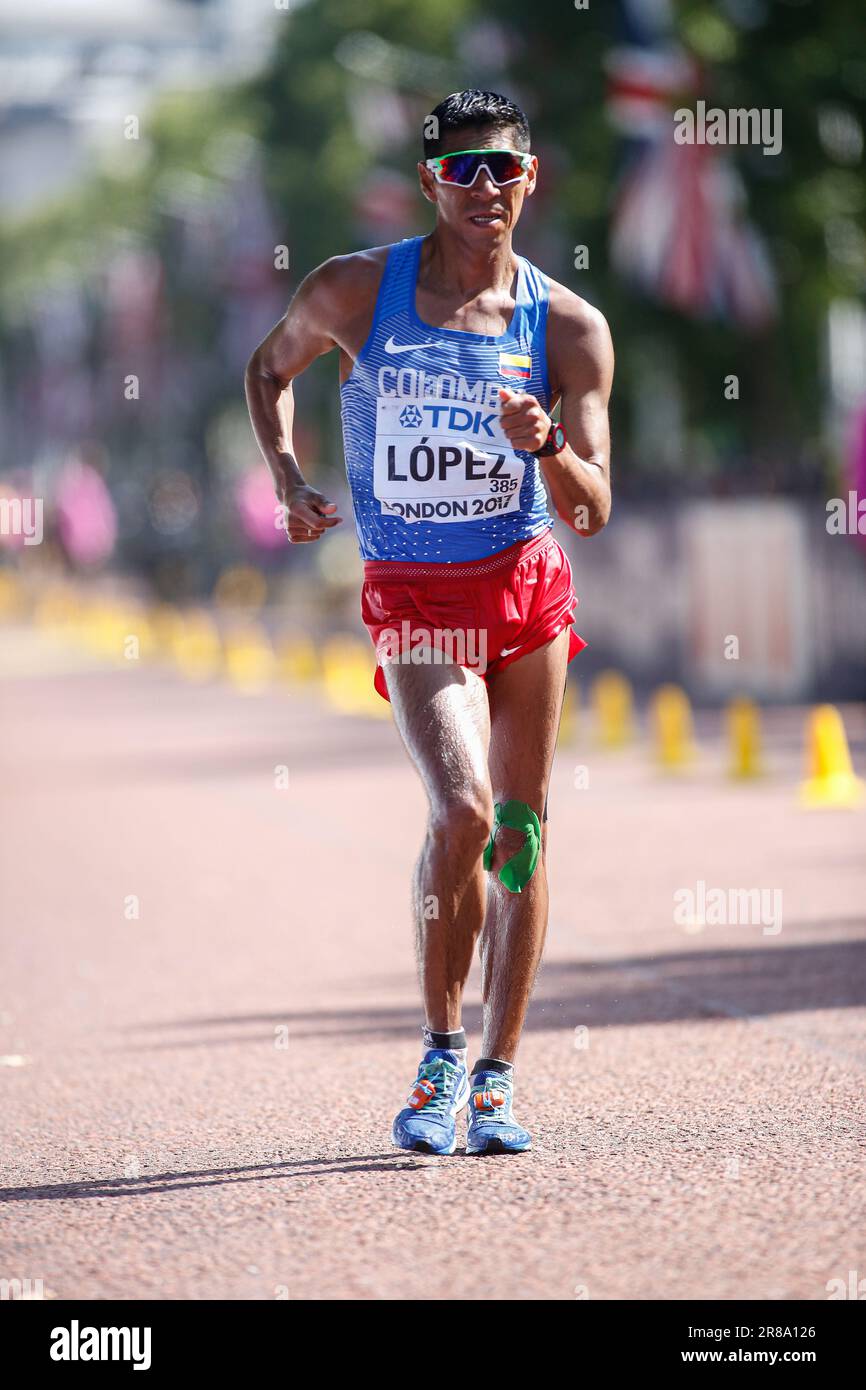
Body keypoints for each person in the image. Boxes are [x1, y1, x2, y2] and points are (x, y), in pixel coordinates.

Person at [246, 89, 613, 1156]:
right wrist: (287, 477)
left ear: (528, 178)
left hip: (524, 588)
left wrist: (545, 445)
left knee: (517, 828)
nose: (483, 188)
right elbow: (268, 369)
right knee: (460, 808)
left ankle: (497, 1075)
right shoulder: (356, 292)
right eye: (461, 170)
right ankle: (441, 1048)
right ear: (428, 182)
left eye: (502, 169)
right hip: (412, 590)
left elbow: (591, 508)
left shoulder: (568, 326)